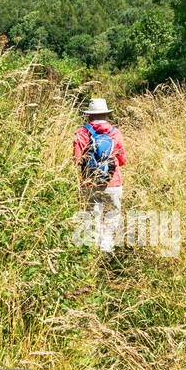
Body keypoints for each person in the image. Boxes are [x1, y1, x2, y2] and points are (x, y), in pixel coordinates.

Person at [73, 97, 126, 255]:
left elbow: (76, 160)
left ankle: (91, 253)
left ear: (89, 115)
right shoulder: (115, 133)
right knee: (112, 216)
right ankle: (106, 250)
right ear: (106, 115)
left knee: (91, 217)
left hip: (90, 183)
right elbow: (122, 160)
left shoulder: (82, 133)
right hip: (113, 182)